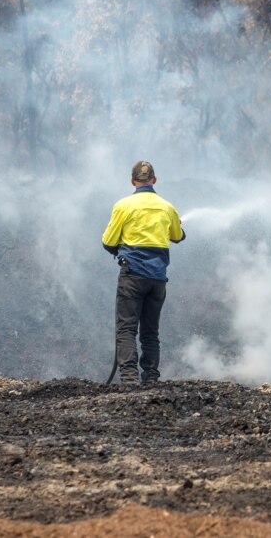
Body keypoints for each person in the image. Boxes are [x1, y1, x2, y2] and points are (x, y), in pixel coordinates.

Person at [101, 161, 185, 384]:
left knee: (127, 329)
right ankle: (151, 378)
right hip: (157, 279)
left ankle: (130, 378)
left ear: (132, 181)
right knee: (150, 331)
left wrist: (121, 248)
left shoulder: (123, 206)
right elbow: (178, 236)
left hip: (132, 276)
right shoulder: (167, 207)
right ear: (154, 180)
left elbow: (108, 242)